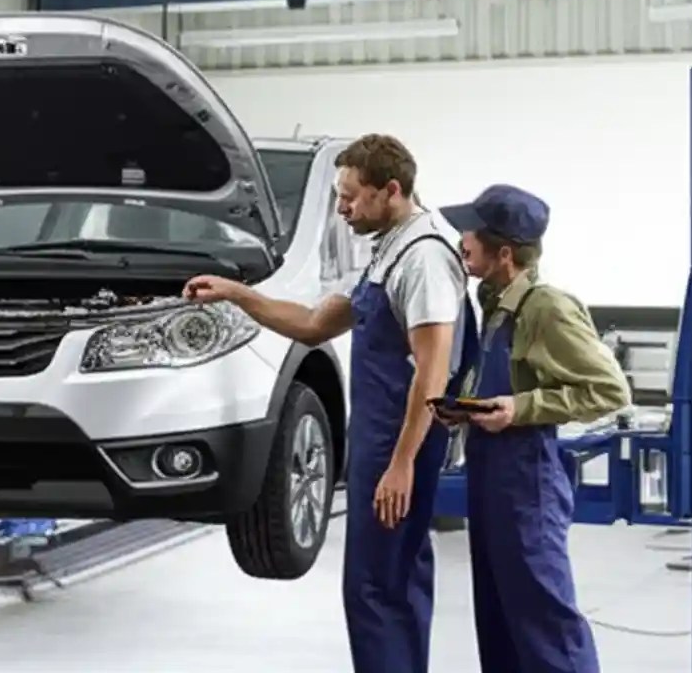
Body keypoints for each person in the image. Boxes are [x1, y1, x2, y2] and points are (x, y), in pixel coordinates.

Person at [183, 134, 478, 672]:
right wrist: (236, 293)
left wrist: (402, 465)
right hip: (378, 442)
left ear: (390, 190)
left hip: (397, 445)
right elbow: (316, 324)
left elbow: (432, 376)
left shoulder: (425, 258)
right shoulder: (391, 245)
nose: (340, 208)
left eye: (349, 195)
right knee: (385, 584)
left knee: (380, 588)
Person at [435, 184, 631, 673]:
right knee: (501, 623)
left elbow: (610, 391)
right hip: (491, 477)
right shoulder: (496, 303)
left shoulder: (547, 307)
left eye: (470, 233)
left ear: (504, 251)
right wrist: (470, 408)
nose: (461, 240)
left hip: (528, 486)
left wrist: (521, 408)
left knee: (546, 625)